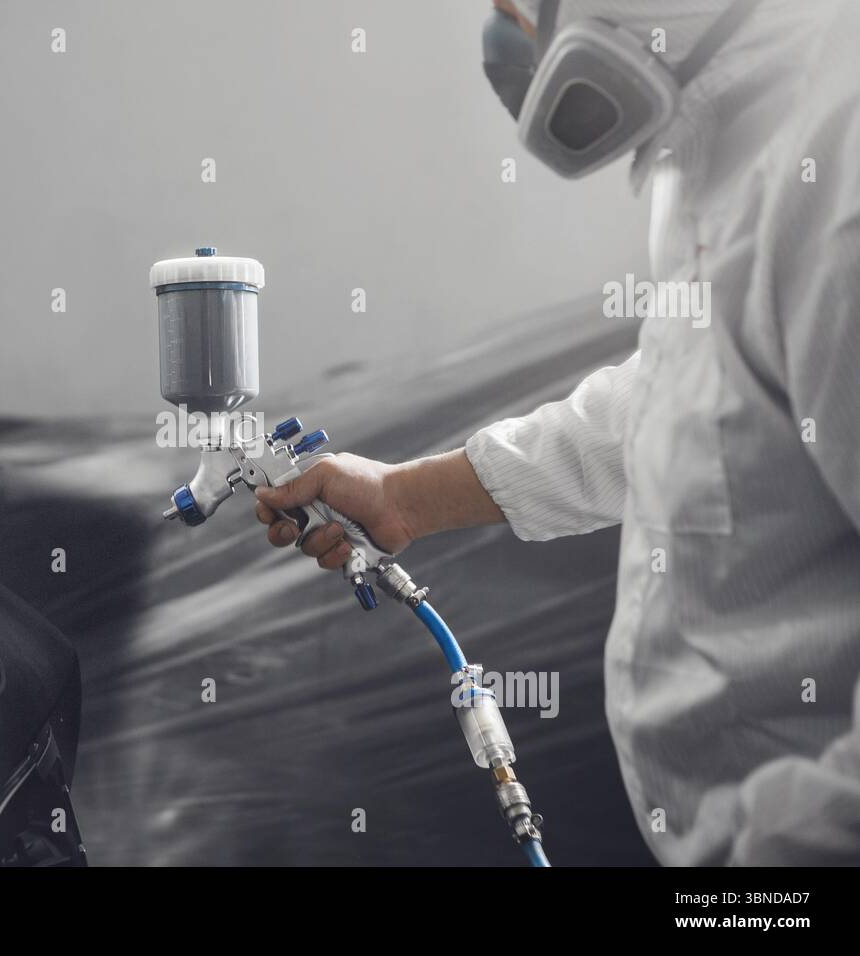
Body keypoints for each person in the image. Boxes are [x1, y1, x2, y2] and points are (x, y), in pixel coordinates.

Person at [256, 0, 860, 865]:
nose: (503, 27)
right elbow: (676, 405)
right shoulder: (729, 147)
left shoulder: (837, 176)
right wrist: (403, 498)